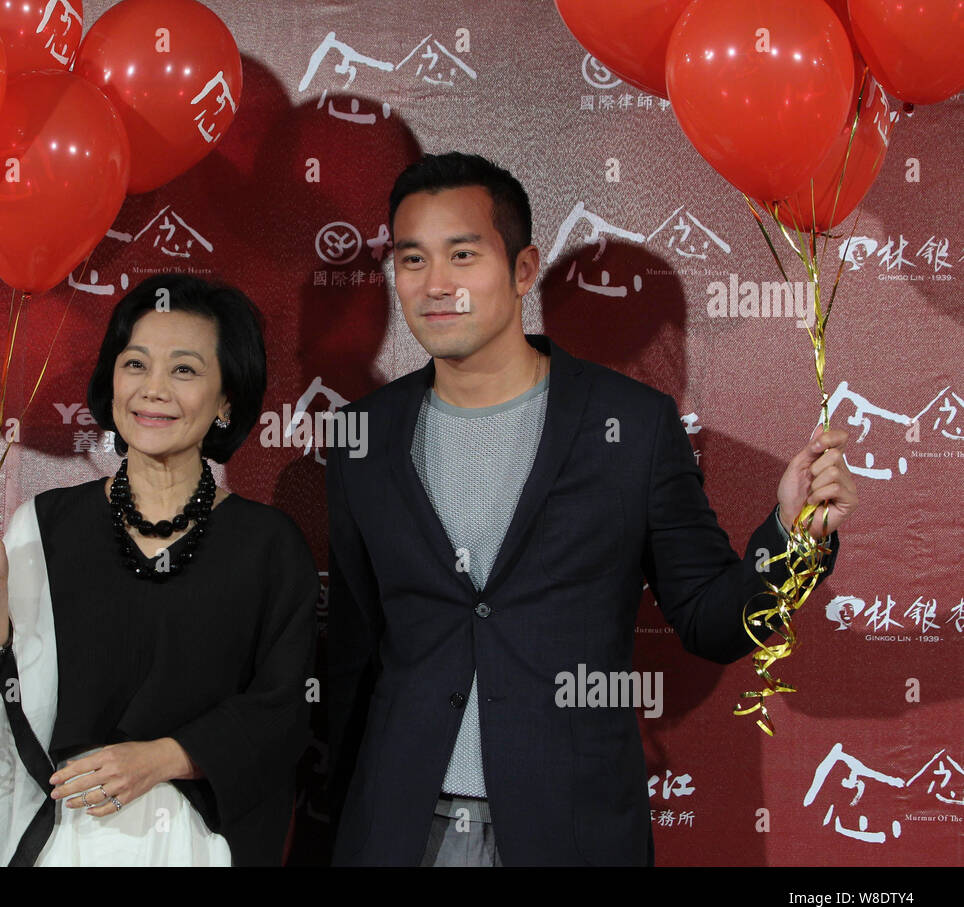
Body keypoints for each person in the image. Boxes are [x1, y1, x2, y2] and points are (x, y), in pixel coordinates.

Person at [324, 152, 859, 866]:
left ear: (523, 269)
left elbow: (710, 619)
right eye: (412, 259)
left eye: (463, 254)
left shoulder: (632, 427)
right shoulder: (364, 438)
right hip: (399, 830)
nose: (436, 284)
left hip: (570, 829)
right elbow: (354, 653)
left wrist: (793, 538)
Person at [0, 273, 319, 867]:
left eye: (184, 370)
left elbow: (284, 710)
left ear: (226, 400)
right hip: (56, 840)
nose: (153, 389)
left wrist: (164, 758)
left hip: (193, 846)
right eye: (135, 364)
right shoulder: (43, 527)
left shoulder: (268, 545)